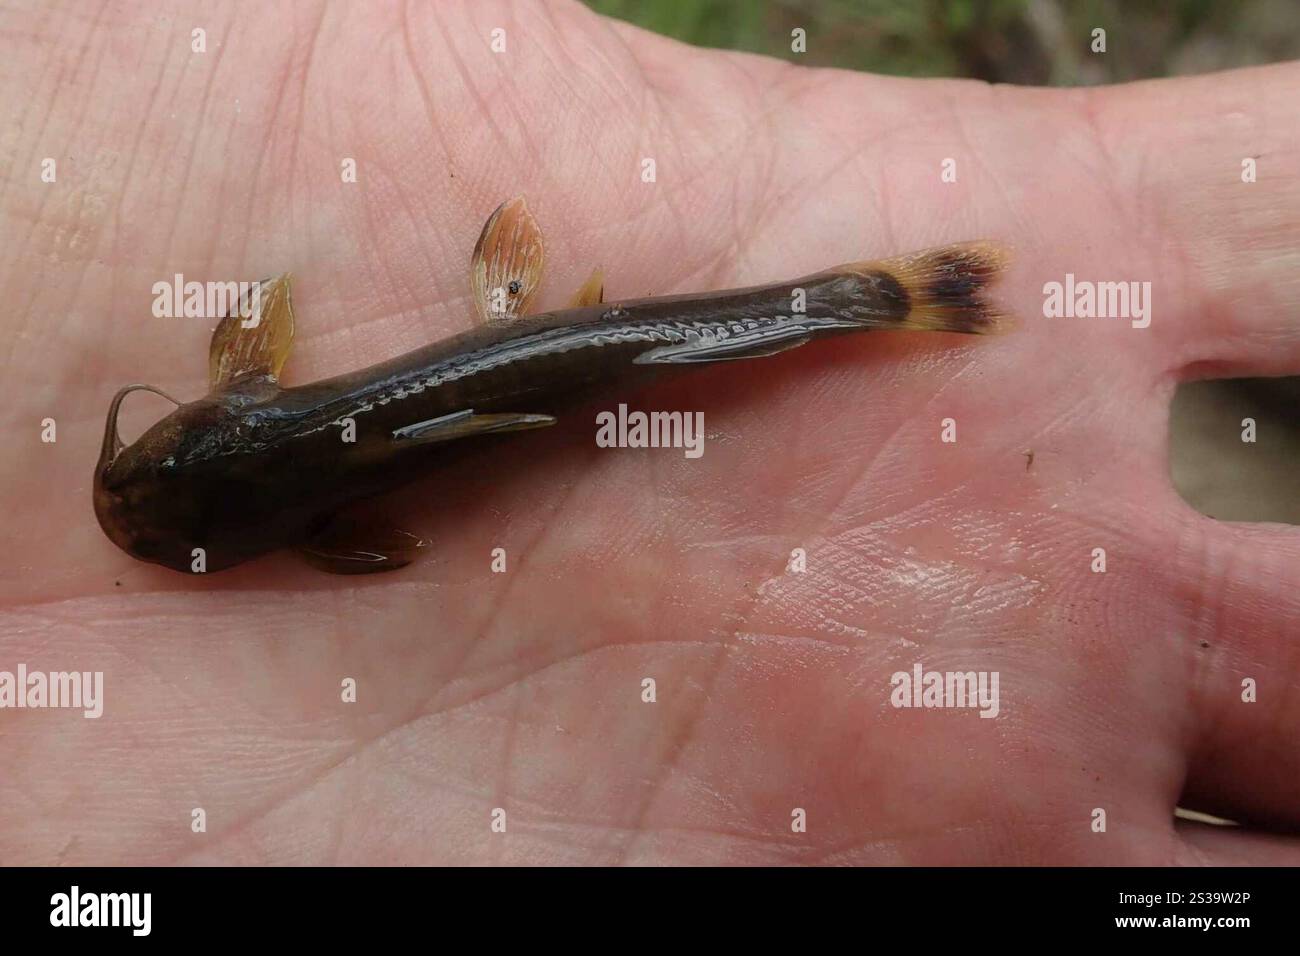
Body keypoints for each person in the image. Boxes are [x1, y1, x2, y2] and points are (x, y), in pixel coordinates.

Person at [1, 0, 1296, 865]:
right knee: (615, 349)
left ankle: (884, 297)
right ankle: (885, 297)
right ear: (235, 393)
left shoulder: (322, 525)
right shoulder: (253, 396)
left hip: (532, 370)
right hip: (526, 360)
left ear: (243, 401)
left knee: (619, 351)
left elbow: (377, 539)